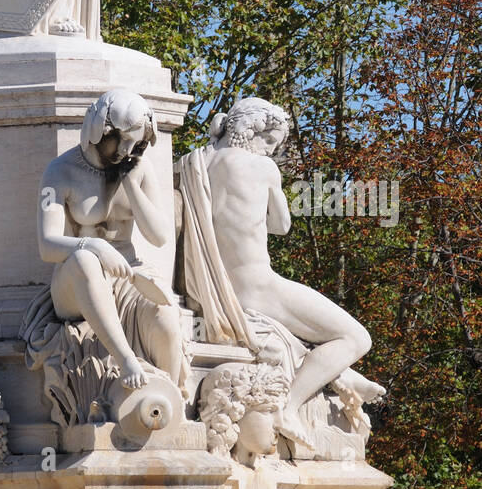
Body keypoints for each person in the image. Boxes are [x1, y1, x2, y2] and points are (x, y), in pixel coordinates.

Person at [203, 98, 384, 446]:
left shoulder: (197, 164)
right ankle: (290, 406)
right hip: (259, 286)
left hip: (221, 288)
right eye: (271, 142)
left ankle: (340, 375)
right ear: (255, 131)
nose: (271, 151)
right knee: (356, 337)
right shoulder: (263, 168)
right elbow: (282, 225)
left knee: (306, 329)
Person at [37, 89, 183, 390]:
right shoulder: (60, 171)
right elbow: (47, 245)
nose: (129, 150)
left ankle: (172, 394)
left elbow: (158, 236)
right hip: (77, 280)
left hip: (129, 272)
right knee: (84, 259)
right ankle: (126, 359)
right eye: (123, 140)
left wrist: (130, 183)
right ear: (100, 131)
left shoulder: (140, 169)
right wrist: (94, 245)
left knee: (167, 320)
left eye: (137, 143)